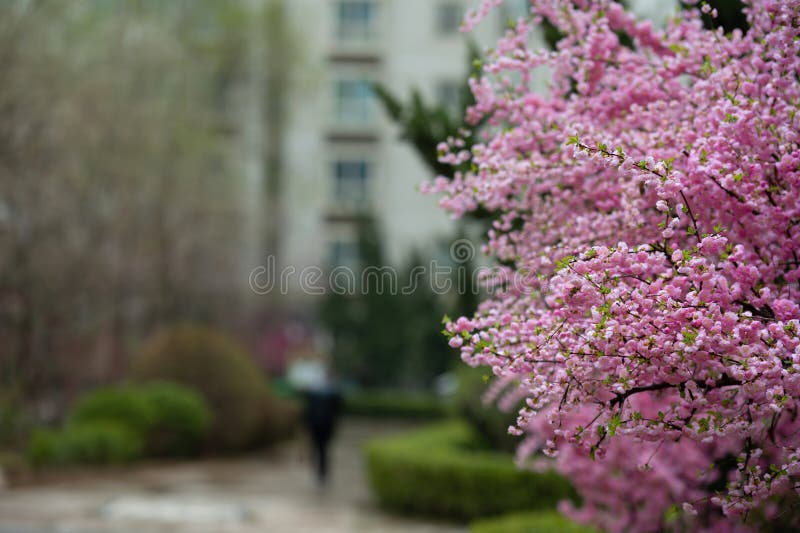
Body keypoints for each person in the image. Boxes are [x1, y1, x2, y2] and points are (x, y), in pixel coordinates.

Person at [303, 368, 341, 486]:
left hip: (316, 425)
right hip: (326, 426)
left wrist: (306, 425)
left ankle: (318, 473)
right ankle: (321, 473)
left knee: (317, 449)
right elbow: (337, 412)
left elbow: (307, 411)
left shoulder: (314, 393)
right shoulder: (334, 393)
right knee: (323, 449)